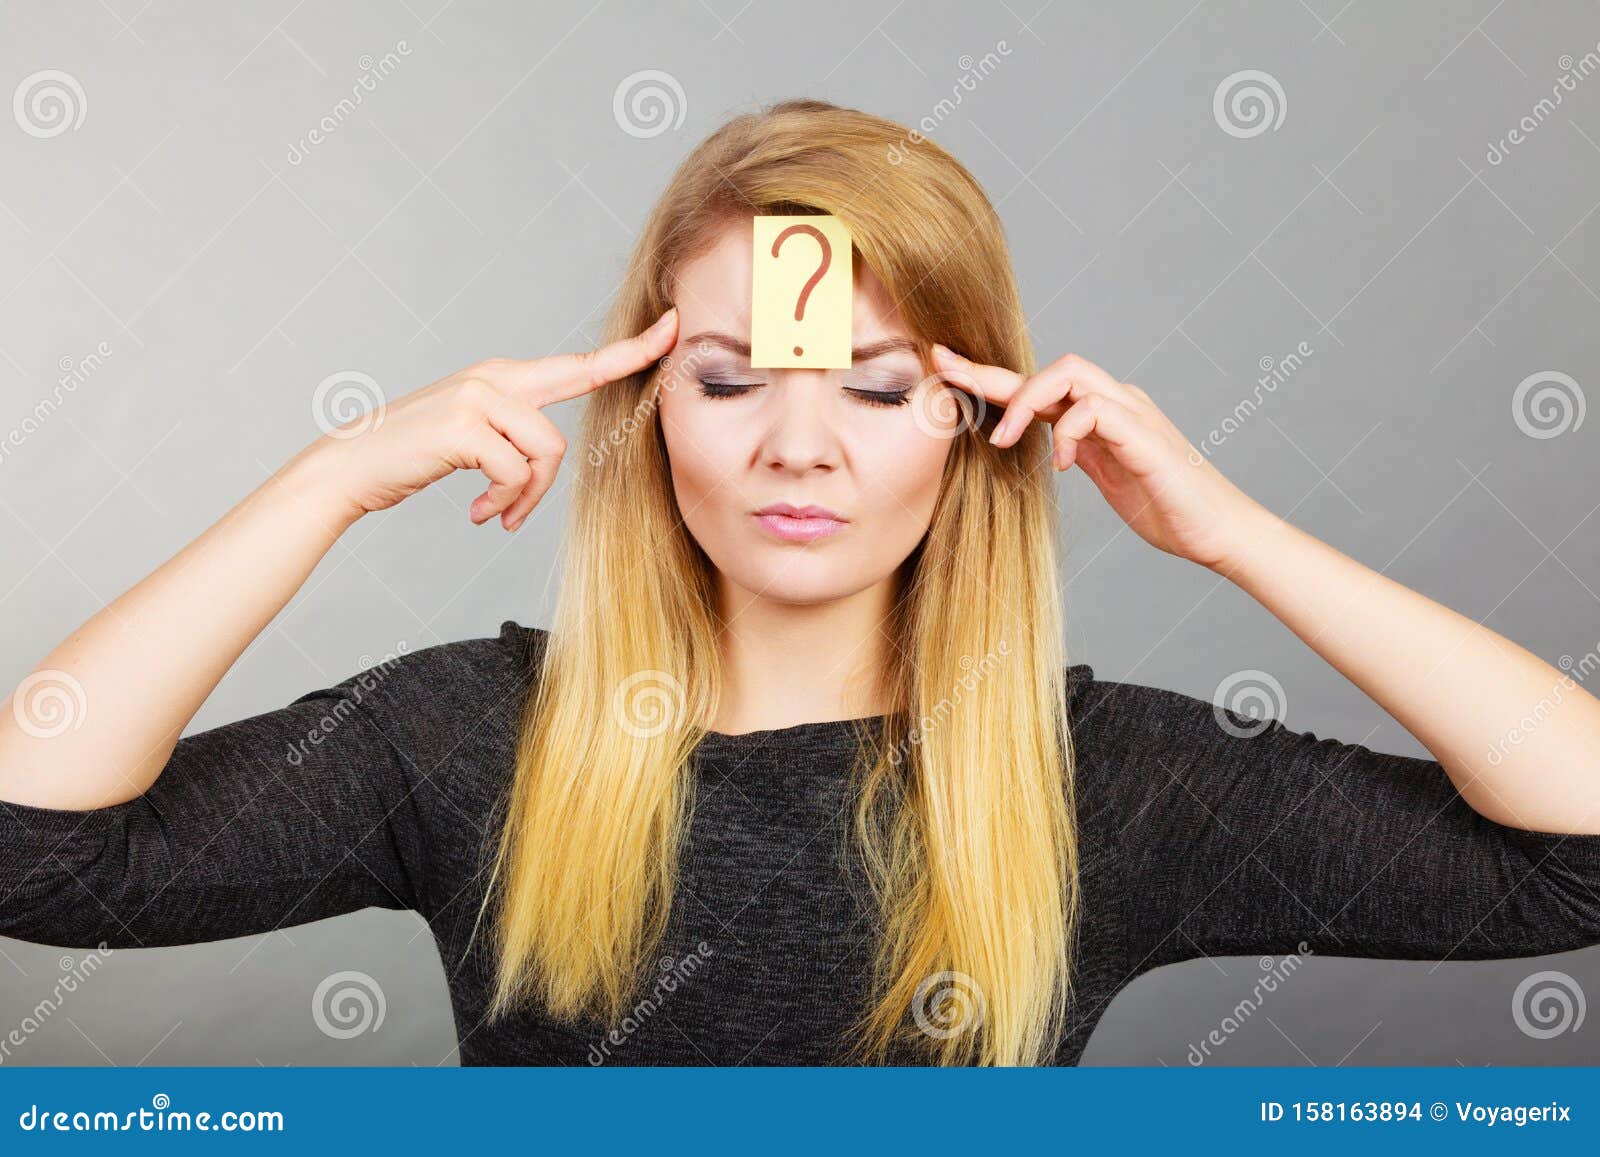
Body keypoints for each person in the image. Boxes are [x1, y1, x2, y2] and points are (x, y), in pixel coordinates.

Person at [2, 98, 1598, 1067]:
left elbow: (1575, 860)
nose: (799, 447)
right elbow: (36, 855)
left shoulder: (1087, 780)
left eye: (878, 389)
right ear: (648, 408)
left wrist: (1232, 533)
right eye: (729, 379)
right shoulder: (475, 735)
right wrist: (332, 475)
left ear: (975, 422)